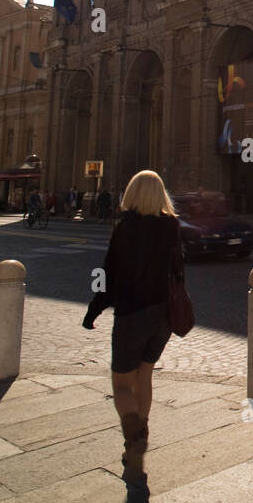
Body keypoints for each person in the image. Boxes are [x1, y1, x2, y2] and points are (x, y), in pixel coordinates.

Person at [81, 170, 185, 485]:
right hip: (162, 315)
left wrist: (93, 310)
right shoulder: (172, 226)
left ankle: (135, 437)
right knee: (145, 377)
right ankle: (137, 442)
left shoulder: (124, 228)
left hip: (131, 315)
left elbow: (108, 273)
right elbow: (178, 272)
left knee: (121, 386)